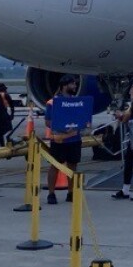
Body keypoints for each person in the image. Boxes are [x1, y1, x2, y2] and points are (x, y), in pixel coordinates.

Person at [45, 75, 82, 205]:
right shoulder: (53, 102)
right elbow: (48, 122)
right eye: (73, 84)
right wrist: (62, 127)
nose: (75, 86)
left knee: (73, 165)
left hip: (74, 139)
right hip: (59, 140)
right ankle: (51, 193)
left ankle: (71, 192)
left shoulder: (77, 102)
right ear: (65, 85)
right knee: (55, 166)